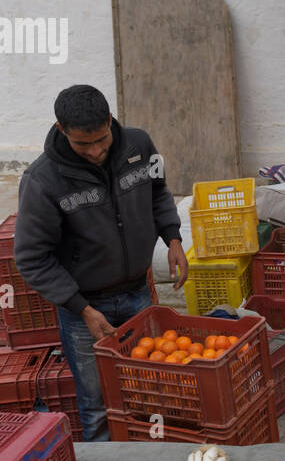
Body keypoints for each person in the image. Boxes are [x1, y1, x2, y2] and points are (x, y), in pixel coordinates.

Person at [14, 85, 189, 441]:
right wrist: (82, 309)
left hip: (139, 293)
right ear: (62, 130)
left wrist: (172, 237)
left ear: (110, 120)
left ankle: (152, 458)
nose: (95, 151)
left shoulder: (139, 146)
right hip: (87, 310)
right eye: (83, 144)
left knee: (151, 386)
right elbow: (32, 258)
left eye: (101, 139)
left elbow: (158, 191)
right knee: (96, 403)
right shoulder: (43, 180)